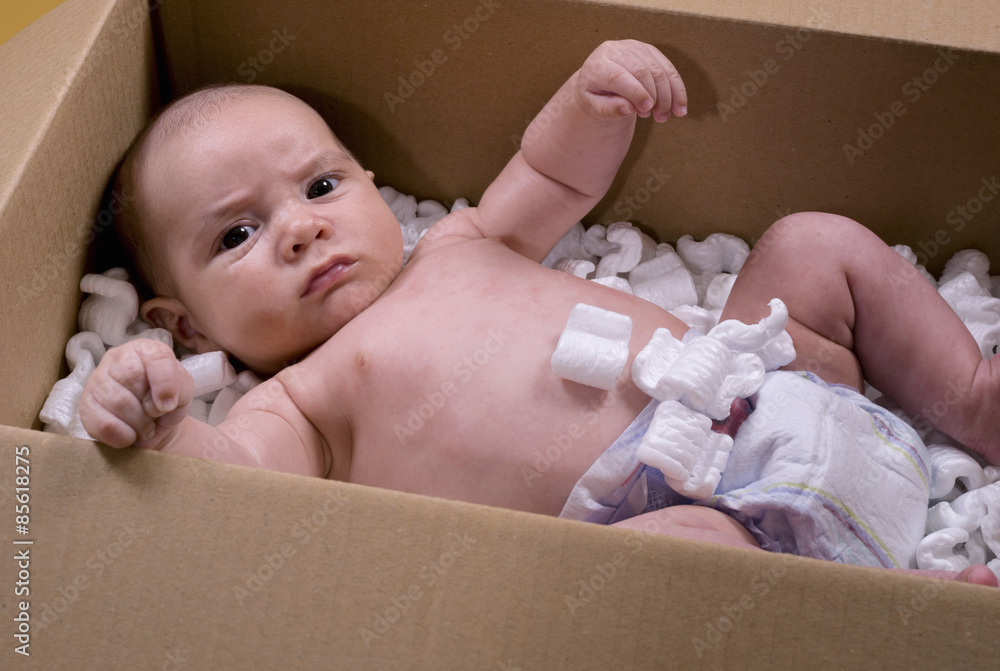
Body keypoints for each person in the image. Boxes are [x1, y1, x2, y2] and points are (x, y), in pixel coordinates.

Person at [78, 40, 999, 585]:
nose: (300, 231)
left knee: (812, 245)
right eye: (236, 236)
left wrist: (594, 94)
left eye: (320, 185)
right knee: (663, 573)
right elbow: (233, 476)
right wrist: (156, 421)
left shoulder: (458, 245)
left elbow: (554, 174)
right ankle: (916, 613)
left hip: (781, 385)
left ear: (372, 185)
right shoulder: (298, 407)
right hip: (707, 516)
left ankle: (973, 395)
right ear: (185, 328)